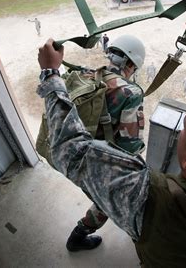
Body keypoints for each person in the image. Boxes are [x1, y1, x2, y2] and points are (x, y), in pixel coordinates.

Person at [36, 9, 186, 266]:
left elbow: (69, 151)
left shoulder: (147, 200)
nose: (183, 132)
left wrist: (51, 73)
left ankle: (80, 234)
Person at [64, 35, 146, 252]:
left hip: (72, 151)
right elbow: (130, 145)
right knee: (107, 202)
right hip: (95, 161)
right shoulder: (132, 92)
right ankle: (78, 237)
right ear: (130, 64)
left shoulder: (87, 74)